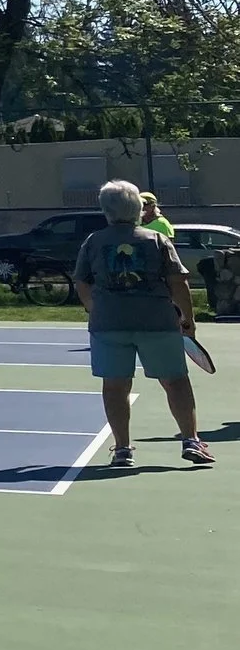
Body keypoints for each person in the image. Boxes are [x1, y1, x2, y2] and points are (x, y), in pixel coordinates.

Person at [72, 179, 211, 466]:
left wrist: (95, 309)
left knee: (115, 386)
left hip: (109, 324)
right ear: (137, 208)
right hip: (157, 321)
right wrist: (188, 319)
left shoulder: (93, 241)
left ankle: (122, 449)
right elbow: (178, 282)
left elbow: (82, 283)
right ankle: (191, 441)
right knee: (175, 381)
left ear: (105, 210)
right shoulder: (156, 239)